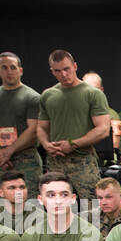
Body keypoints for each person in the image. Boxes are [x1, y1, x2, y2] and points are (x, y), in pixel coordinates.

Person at [36, 50, 113, 202]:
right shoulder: (48, 95)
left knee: (91, 207)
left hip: (82, 160)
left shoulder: (92, 94)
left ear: (75, 66)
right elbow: (41, 127)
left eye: (66, 69)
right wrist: (45, 144)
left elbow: (103, 130)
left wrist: (73, 144)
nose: (63, 74)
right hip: (55, 160)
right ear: (52, 71)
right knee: (56, 205)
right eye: (58, 71)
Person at [0, 52, 43, 199]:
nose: (9, 71)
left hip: (25, 159)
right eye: (4, 67)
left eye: (13, 67)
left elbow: (33, 130)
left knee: (29, 205)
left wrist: (9, 151)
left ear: (20, 70)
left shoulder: (32, 97)